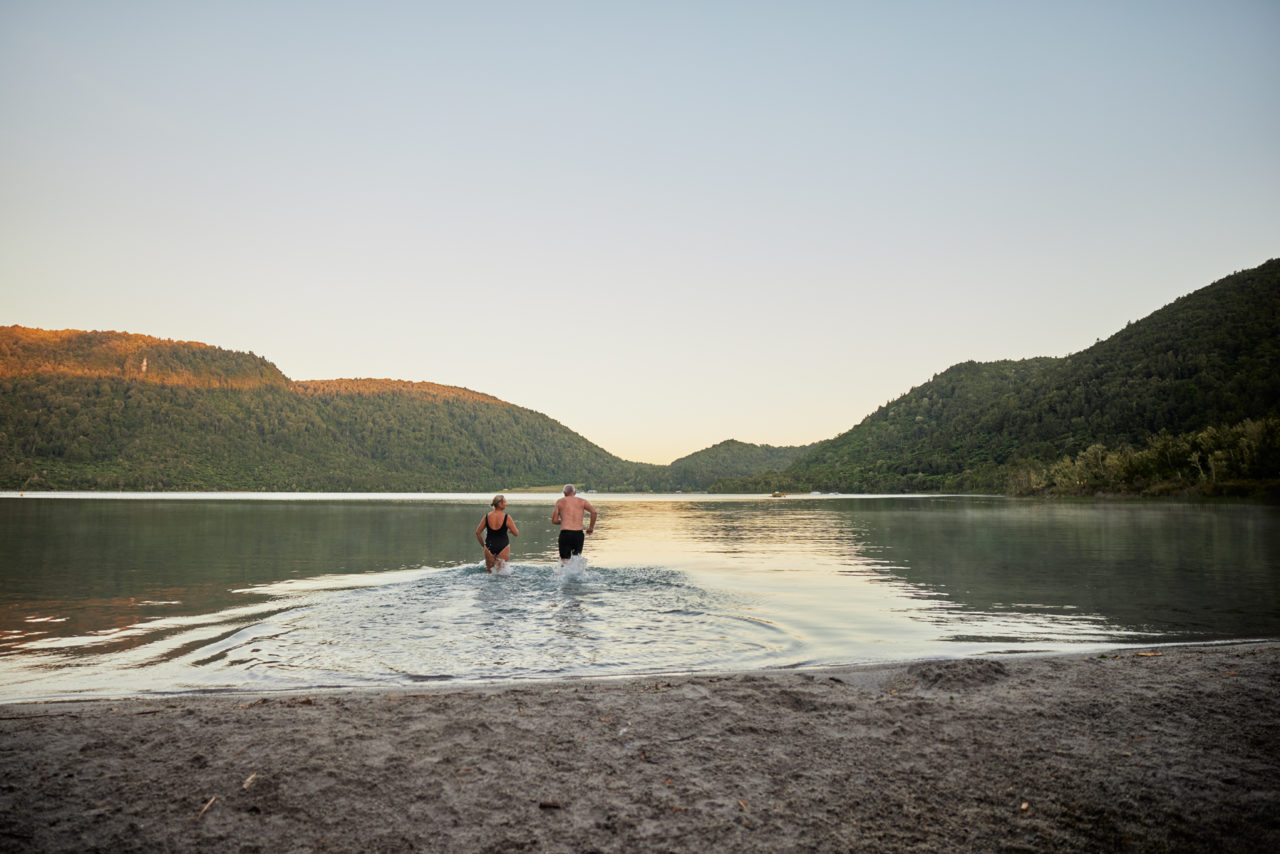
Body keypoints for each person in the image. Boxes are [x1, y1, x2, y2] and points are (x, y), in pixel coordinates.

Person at [551, 484, 597, 564]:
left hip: (565, 533)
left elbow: (554, 520)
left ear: (564, 493)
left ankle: (563, 575)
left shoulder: (560, 502)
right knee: (576, 560)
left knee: (564, 561)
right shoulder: (582, 501)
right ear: (575, 492)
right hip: (578, 534)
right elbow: (594, 512)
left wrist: (564, 521)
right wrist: (591, 528)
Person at [475, 494, 519, 573]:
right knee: (501, 573)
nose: (506, 504)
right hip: (503, 547)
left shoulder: (487, 517)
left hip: (489, 546)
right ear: (500, 504)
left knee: (489, 572)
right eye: (505, 502)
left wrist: (484, 546)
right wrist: (508, 530)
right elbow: (516, 533)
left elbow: (478, 532)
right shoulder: (506, 517)